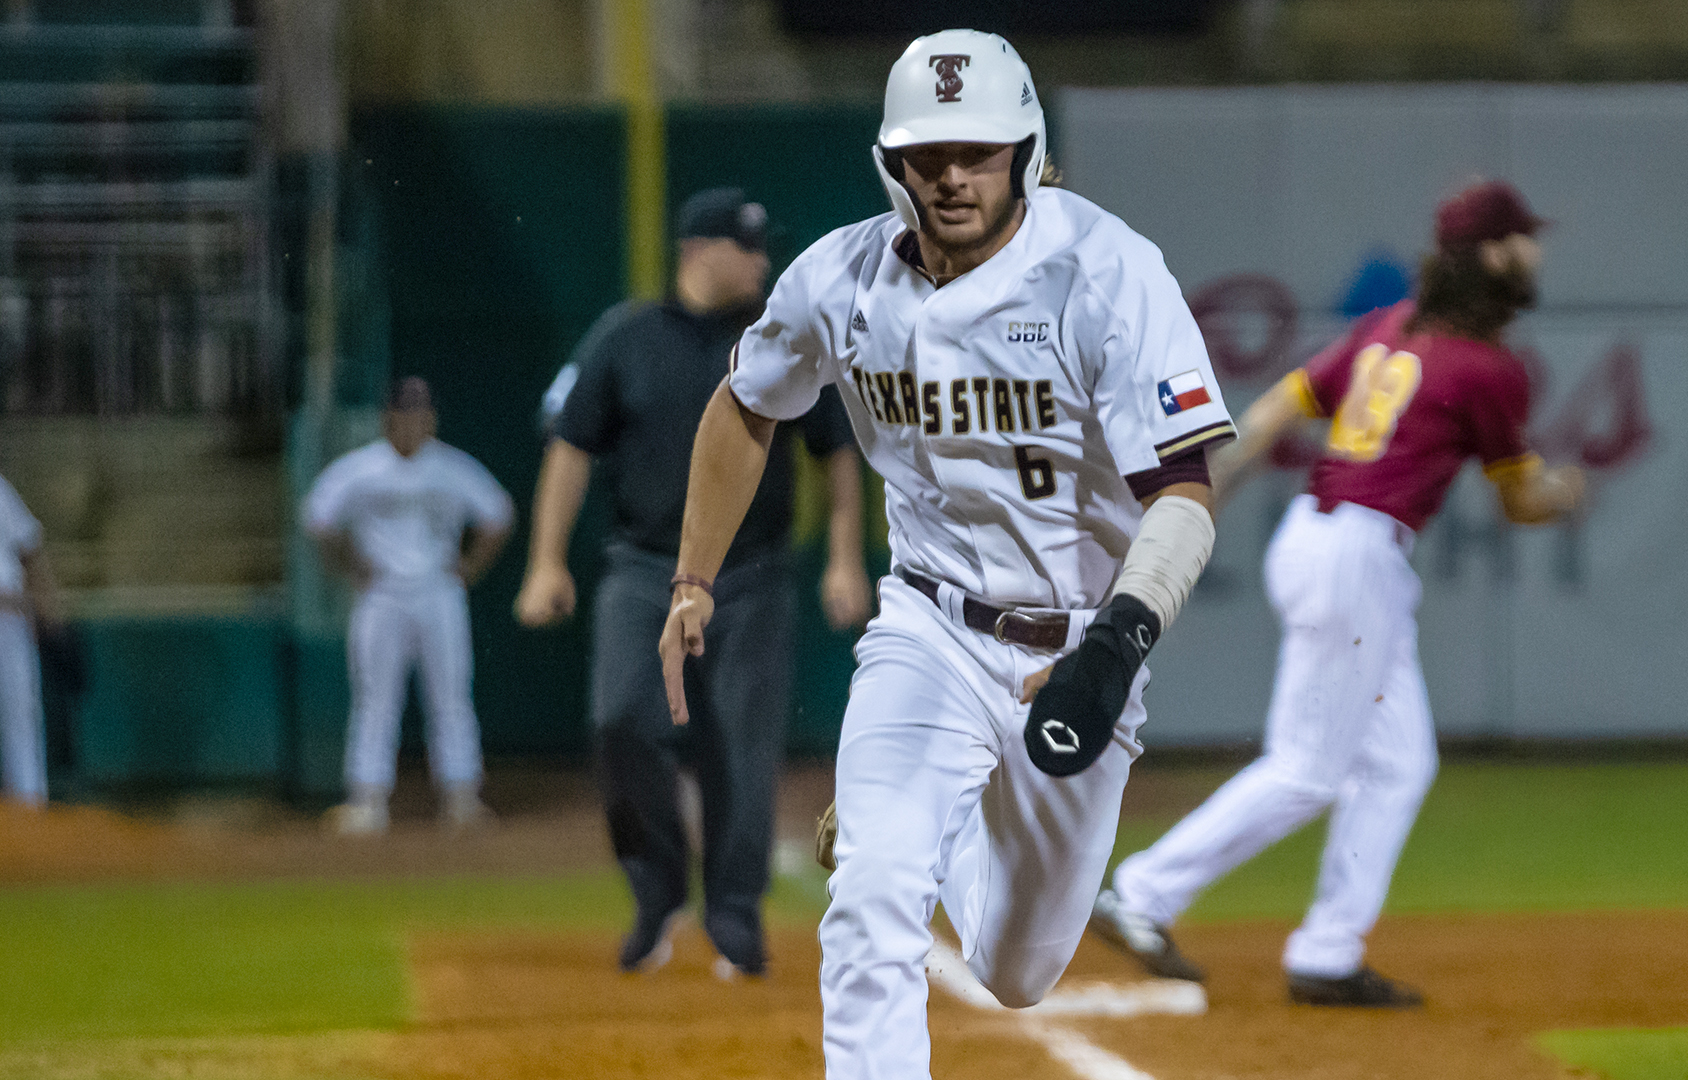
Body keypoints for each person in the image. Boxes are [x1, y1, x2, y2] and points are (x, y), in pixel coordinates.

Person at [658, 30, 1233, 1079]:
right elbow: (746, 404)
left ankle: (936, 836)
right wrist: (692, 575)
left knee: (1020, 971)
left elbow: (1187, 492)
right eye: (929, 155)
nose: (955, 176)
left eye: (981, 150)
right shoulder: (840, 277)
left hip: (1082, 637)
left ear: (1026, 148)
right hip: (927, 628)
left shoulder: (1105, 270)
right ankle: (895, 839)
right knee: (873, 895)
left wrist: (1117, 647)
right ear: (891, 161)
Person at [1090, 180, 1586, 1007]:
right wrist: (1566, 490)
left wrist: (1193, 507)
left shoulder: (1386, 329)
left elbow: (1272, 414)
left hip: (1325, 543)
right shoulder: (1490, 368)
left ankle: (1327, 949)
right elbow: (1523, 501)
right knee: (1309, 768)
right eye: (1524, 240)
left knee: (1397, 764)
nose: (1534, 252)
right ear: (1495, 254)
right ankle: (1140, 893)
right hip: (1357, 555)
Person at [515, 187, 871, 979]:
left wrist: (845, 556)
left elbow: (836, 447)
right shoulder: (627, 337)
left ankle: (736, 917)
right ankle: (657, 891)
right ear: (699, 250)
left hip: (753, 574)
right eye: (748, 248)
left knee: (741, 752)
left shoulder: (772, 338)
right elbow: (570, 445)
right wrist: (545, 560)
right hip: (643, 571)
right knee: (619, 723)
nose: (763, 261)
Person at [304, 377, 515, 835]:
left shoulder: (451, 468)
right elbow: (319, 519)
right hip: (381, 595)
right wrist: (349, 566)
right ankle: (367, 801)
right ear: (387, 418)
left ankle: (461, 798)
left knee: (452, 695)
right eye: (403, 414)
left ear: (431, 419)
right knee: (375, 698)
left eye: (420, 414)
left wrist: (471, 566)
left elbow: (498, 515)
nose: (412, 423)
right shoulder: (362, 469)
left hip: (439, 591)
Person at [0, 471, 61, 808]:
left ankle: (29, 808)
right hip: (8, 611)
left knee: (20, 717)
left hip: (9, 621)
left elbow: (30, 548)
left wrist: (50, 613)